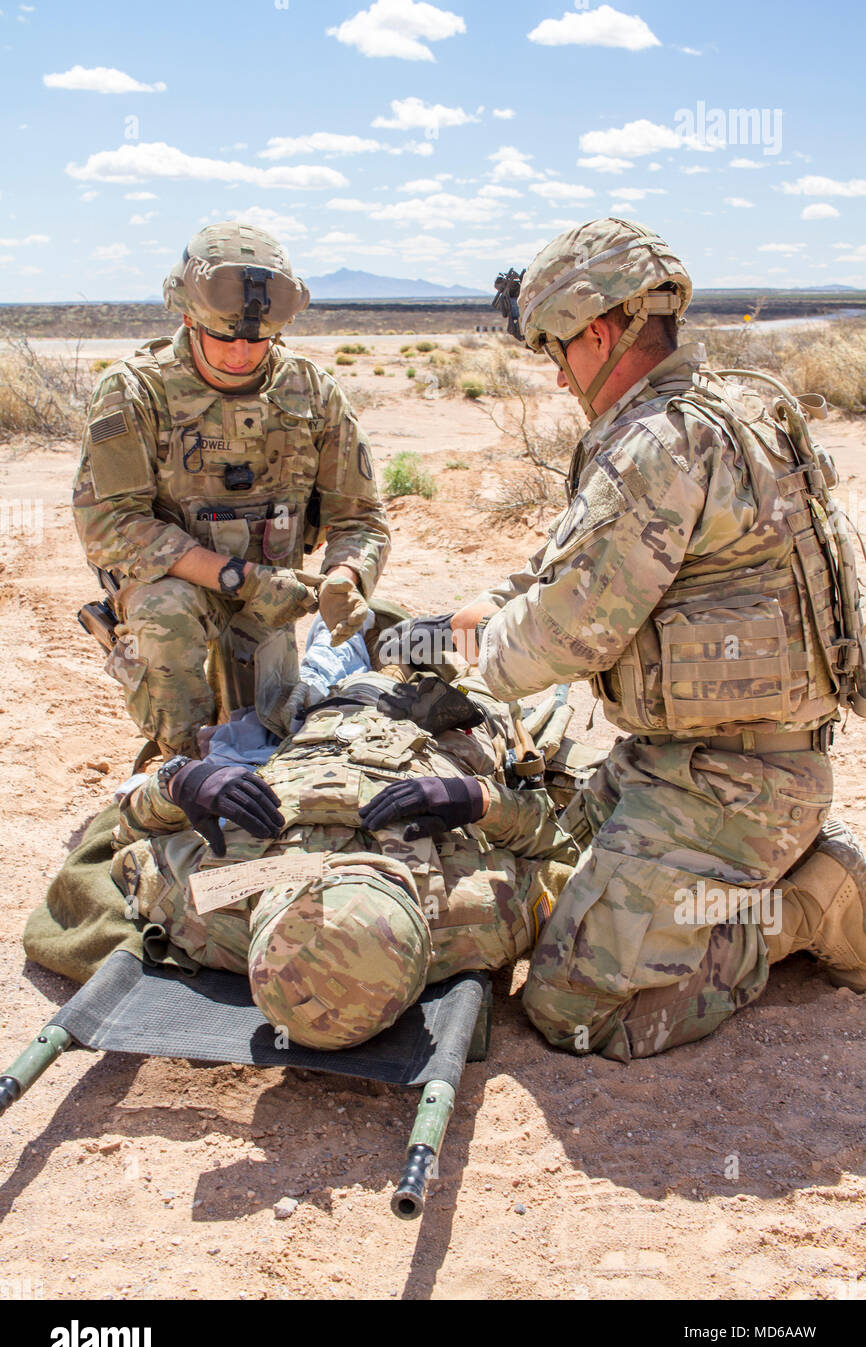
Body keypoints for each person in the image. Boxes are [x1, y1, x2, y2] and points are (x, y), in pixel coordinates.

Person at [444, 216, 866, 1062]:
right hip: (688, 761)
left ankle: (813, 900)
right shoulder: (726, 406)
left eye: (558, 352)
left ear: (598, 333)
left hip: (732, 786)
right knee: (548, 862)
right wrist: (490, 606)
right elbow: (580, 564)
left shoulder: (655, 444)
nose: (561, 379)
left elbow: (570, 632)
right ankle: (736, 877)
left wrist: (478, 657)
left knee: (574, 1005)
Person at [108, 665, 583, 1050]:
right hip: (453, 737)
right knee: (489, 671)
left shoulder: (212, 906)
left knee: (359, 658)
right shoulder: (479, 912)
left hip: (332, 715)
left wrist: (180, 783)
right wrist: (477, 799)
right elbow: (562, 856)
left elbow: (128, 837)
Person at [72, 221, 390, 757]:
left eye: (259, 339)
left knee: (266, 730)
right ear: (187, 317)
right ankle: (180, 763)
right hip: (185, 586)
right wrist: (238, 578)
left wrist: (344, 577)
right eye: (224, 337)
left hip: (273, 599)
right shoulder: (135, 390)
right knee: (169, 631)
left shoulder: (311, 390)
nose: (241, 354)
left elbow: (360, 517)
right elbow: (110, 524)